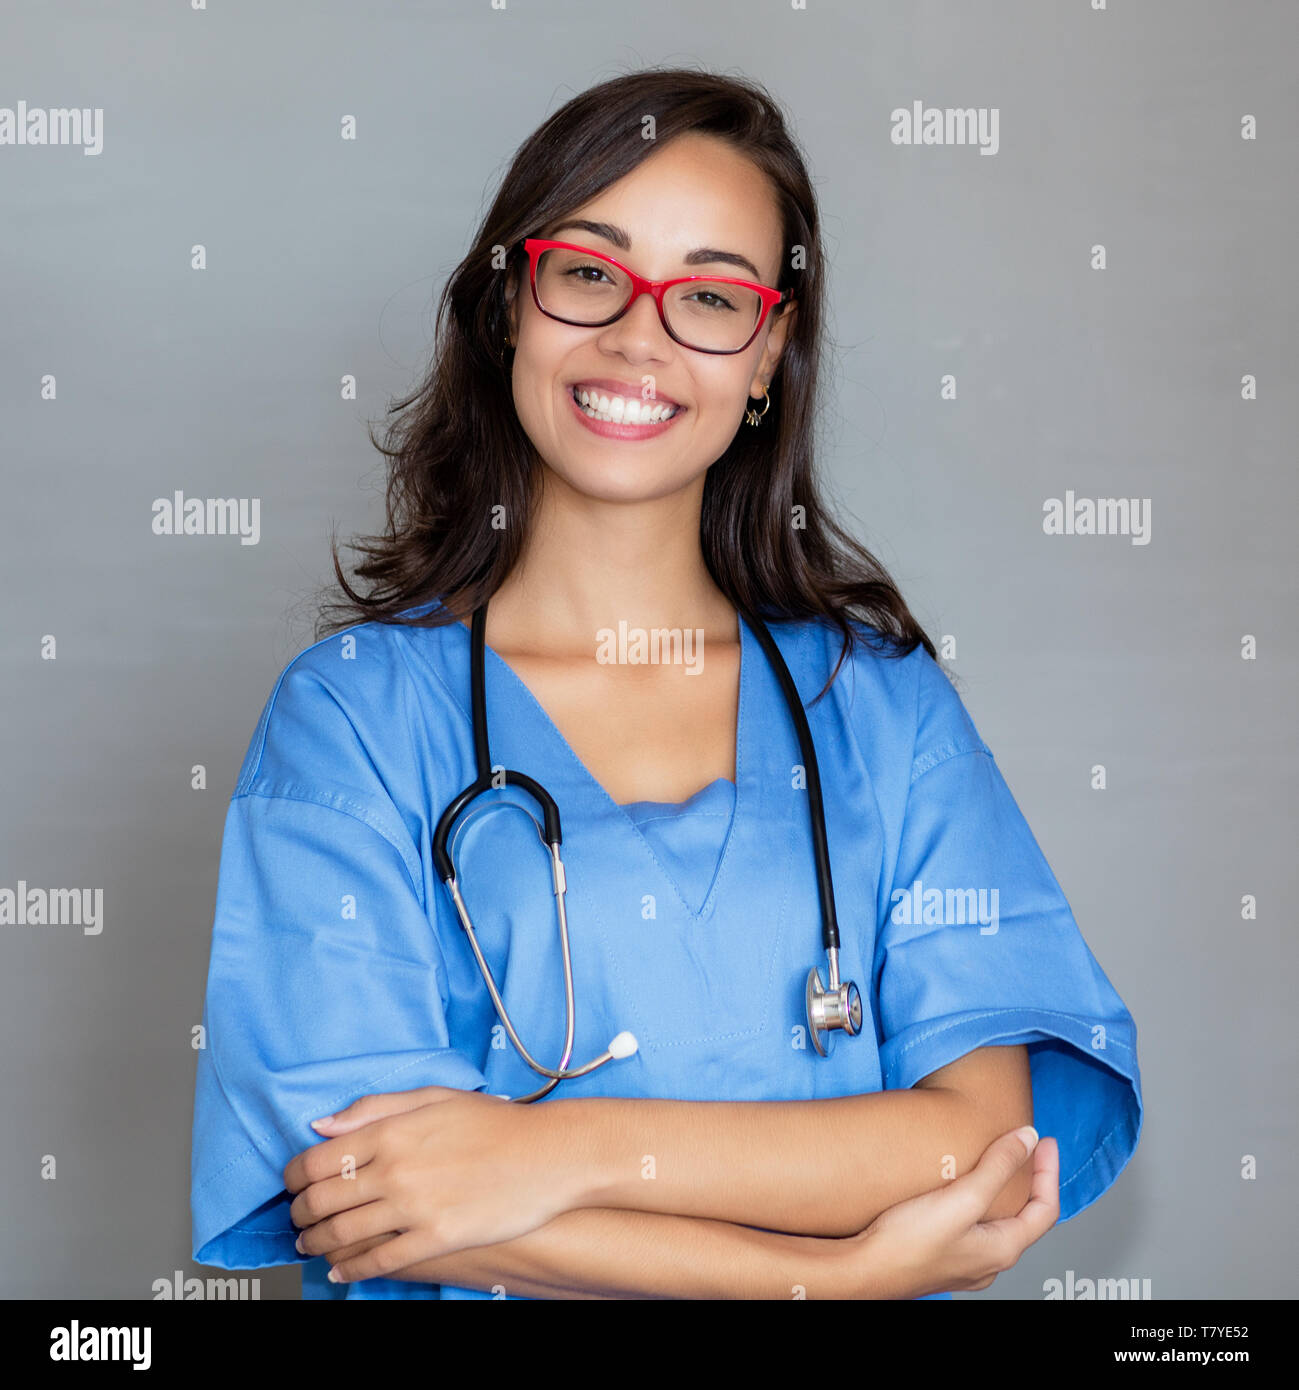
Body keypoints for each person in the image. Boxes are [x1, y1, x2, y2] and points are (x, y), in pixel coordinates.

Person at [190, 67, 1142, 1300]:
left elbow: (978, 1141)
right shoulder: (351, 721)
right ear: (510, 307)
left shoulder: (882, 705)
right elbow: (367, 1199)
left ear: (767, 355)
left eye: (708, 295)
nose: (639, 336)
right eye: (590, 273)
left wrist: (541, 1151)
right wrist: (844, 1276)